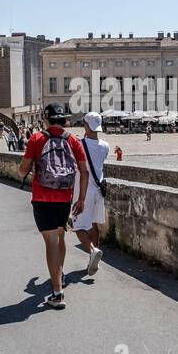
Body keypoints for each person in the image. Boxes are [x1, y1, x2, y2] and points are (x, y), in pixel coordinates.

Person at [19, 103, 89, 309]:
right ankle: (60, 274)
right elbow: (84, 172)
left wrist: (27, 170)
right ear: (64, 120)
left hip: (43, 197)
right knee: (60, 237)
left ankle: (57, 293)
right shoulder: (73, 140)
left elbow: (22, 170)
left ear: (46, 119)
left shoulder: (37, 138)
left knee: (51, 242)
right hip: (65, 198)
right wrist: (81, 199)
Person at [72, 112, 109, 276]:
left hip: (84, 191)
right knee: (94, 225)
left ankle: (93, 250)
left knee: (78, 226)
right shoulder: (105, 146)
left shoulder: (79, 144)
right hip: (99, 191)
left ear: (86, 125)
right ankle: (93, 260)